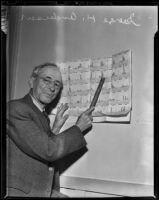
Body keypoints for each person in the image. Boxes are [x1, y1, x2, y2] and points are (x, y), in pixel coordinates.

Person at [6, 62, 94, 197]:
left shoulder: (40, 114)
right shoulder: (15, 108)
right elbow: (48, 150)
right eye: (46, 80)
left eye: (57, 84)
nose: (52, 88)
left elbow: (37, 146)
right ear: (31, 81)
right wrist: (78, 128)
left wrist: (56, 128)